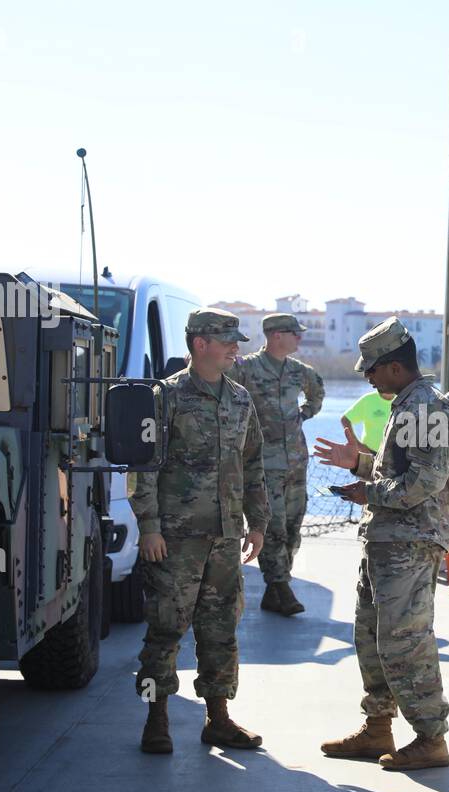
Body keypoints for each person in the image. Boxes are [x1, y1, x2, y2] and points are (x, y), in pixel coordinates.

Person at [313, 317, 449, 771]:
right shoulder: (406, 404)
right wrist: (359, 464)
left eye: (371, 370)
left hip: (412, 545)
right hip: (386, 540)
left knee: (406, 640)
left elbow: (425, 483)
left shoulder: (430, 410)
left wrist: (369, 492)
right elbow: (397, 474)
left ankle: (430, 737)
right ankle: (377, 726)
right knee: (371, 636)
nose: (367, 377)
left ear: (395, 367)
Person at [130, 308, 270, 754]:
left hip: (226, 535)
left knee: (221, 628)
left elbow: (252, 464)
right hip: (175, 537)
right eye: (226, 340)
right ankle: (157, 718)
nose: (235, 348)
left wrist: (259, 523)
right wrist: (149, 527)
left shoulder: (241, 400)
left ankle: (219, 718)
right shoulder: (164, 398)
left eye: (236, 340)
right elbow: (144, 464)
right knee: (167, 627)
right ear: (199, 344)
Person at [229, 313, 325, 616]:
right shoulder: (247, 368)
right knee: (272, 525)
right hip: (263, 463)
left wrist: (304, 414)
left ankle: (276, 588)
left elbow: (317, 393)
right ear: (275, 335)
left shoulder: (300, 371)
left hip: (296, 460)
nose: (299, 338)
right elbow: (225, 392)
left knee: (293, 526)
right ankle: (280, 584)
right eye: (294, 333)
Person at [341, 388, 395, 452]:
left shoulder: (403, 398)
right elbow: (345, 419)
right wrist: (357, 444)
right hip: (369, 453)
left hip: (395, 455)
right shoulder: (368, 400)